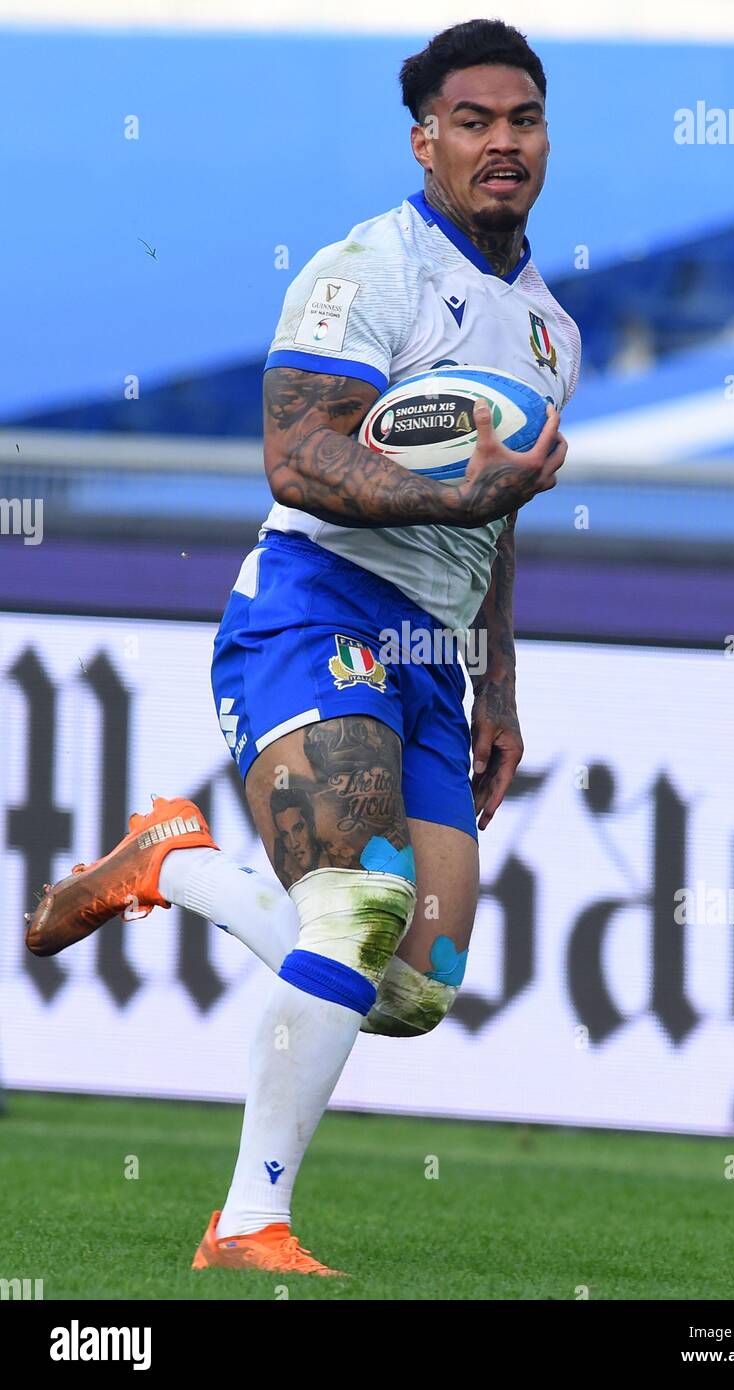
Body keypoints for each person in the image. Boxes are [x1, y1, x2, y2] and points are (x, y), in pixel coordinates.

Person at [25, 18, 580, 1276]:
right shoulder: (366, 269)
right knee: (355, 901)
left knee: (411, 988)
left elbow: (500, 517)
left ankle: (172, 866)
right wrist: (456, 498)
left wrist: (495, 679)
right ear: (424, 137)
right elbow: (299, 455)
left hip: (436, 656)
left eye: (523, 119)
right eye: (474, 121)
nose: (502, 143)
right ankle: (247, 1224)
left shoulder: (551, 331)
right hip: (314, 607)